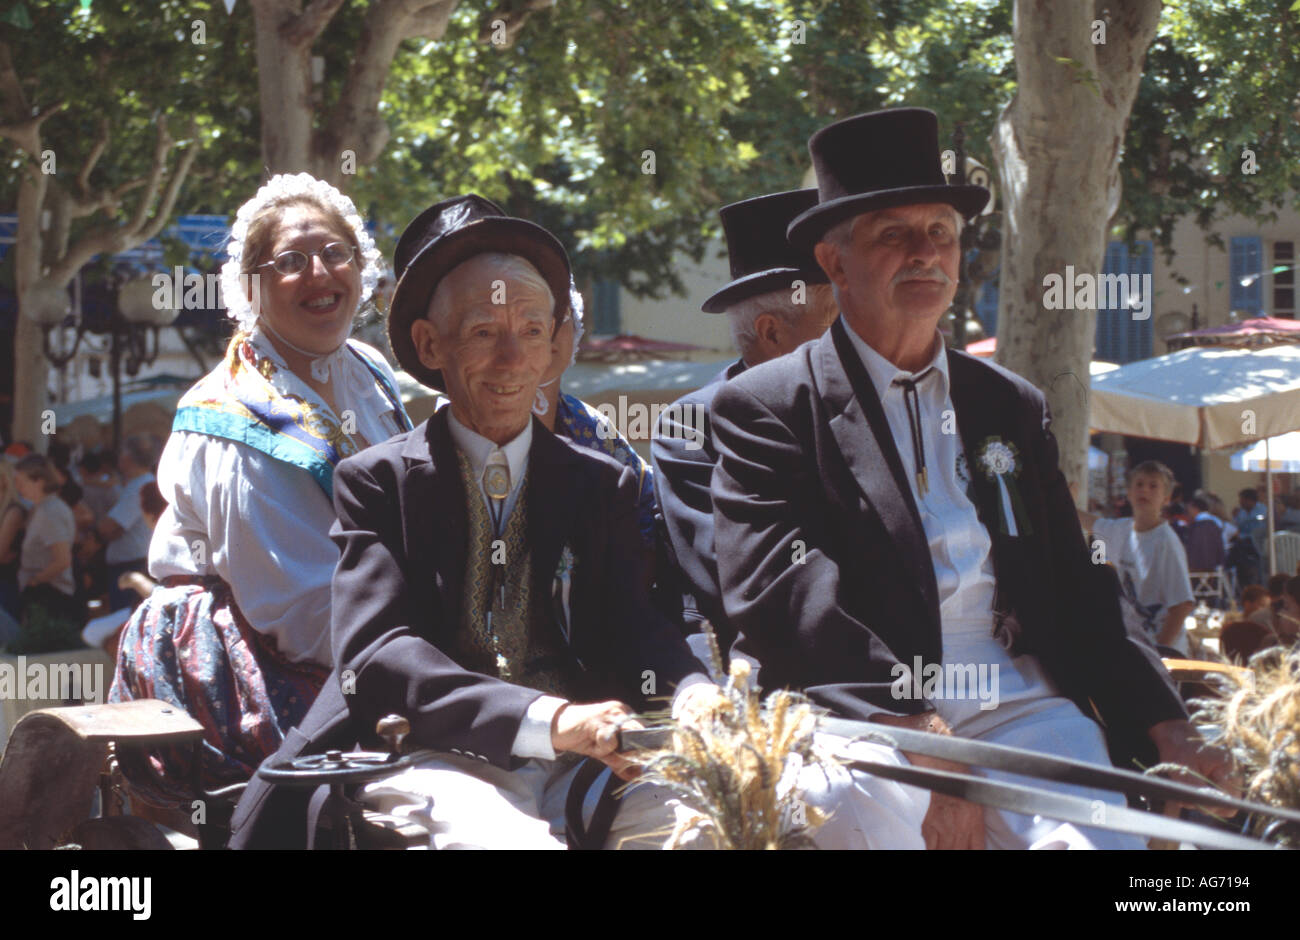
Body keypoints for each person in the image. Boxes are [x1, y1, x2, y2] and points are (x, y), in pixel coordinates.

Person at [708, 107, 1231, 850]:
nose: (925, 253)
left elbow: (1078, 576)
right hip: (859, 704)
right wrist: (916, 730)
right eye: (893, 235)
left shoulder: (1009, 404)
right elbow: (782, 592)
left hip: (1018, 696)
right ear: (834, 262)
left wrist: (1165, 720)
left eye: (941, 233)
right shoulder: (769, 405)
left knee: (1096, 843)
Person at [231, 195, 722, 849]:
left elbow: (635, 626)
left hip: (588, 759)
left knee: (708, 826)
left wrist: (693, 693)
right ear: (430, 344)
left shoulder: (600, 481)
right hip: (434, 755)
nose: (512, 358)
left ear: (555, 345)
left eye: (532, 331)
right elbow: (379, 658)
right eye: (485, 332)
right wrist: (550, 719)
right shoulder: (379, 483)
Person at [109, 173, 413, 804]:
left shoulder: (369, 369)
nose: (319, 273)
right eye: (291, 262)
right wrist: (433, 647)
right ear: (251, 286)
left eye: (335, 252)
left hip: (376, 625)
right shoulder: (233, 420)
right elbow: (298, 613)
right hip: (261, 662)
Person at [652, 189, 838, 653]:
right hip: (752, 659)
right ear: (771, 332)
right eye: (837, 322)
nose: (856, 339)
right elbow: (733, 571)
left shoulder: (863, 404)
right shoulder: (691, 425)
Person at [1080, 462, 1196, 654]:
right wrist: (1061, 498)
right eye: (1139, 484)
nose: (1145, 490)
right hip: (1133, 646)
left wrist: (1160, 652)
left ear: (1166, 498)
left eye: (1153, 486)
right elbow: (1090, 522)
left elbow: (1182, 605)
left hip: (1161, 650)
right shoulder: (1121, 529)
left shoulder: (1167, 542)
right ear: (1129, 493)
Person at [9, 455, 83, 653]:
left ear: (39, 481)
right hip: (45, 592)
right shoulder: (42, 508)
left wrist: (34, 582)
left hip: (50, 595)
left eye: (20, 481)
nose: (17, 487)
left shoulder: (50, 512)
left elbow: (62, 560)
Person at [97, 434, 161, 611]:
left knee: (126, 617)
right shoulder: (138, 484)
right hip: (132, 563)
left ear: (127, 457)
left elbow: (108, 527)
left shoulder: (139, 487)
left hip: (132, 566)